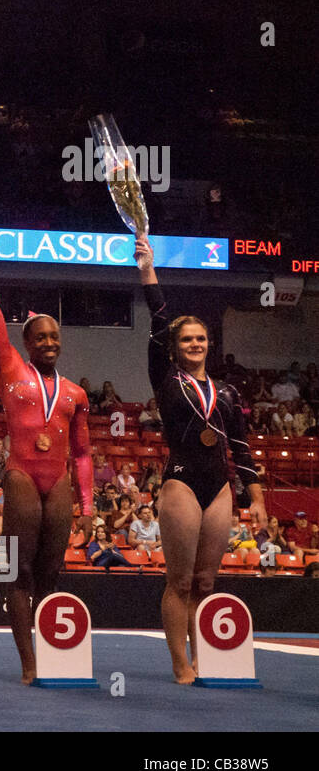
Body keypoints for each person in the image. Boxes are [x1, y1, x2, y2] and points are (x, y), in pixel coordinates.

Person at [0, 223, 92, 684]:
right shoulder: (9, 367)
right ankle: (28, 663)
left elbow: (82, 454)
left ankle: (53, 653)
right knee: (18, 574)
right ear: (26, 343)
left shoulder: (76, 393)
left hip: (57, 481)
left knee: (50, 572)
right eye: (41, 337)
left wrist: (89, 506)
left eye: (55, 337)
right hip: (20, 476)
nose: (50, 343)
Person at [134, 235, 264, 684]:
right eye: (187, 339)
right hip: (183, 481)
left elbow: (242, 448)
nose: (195, 343)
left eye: (201, 338)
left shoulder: (227, 392)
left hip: (221, 485)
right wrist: (148, 269)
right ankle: (179, 661)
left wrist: (258, 498)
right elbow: (159, 320)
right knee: (181, 580)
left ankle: (201, 652)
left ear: (210, 344)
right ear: (174, 347)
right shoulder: (166, 380)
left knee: (207, 583)